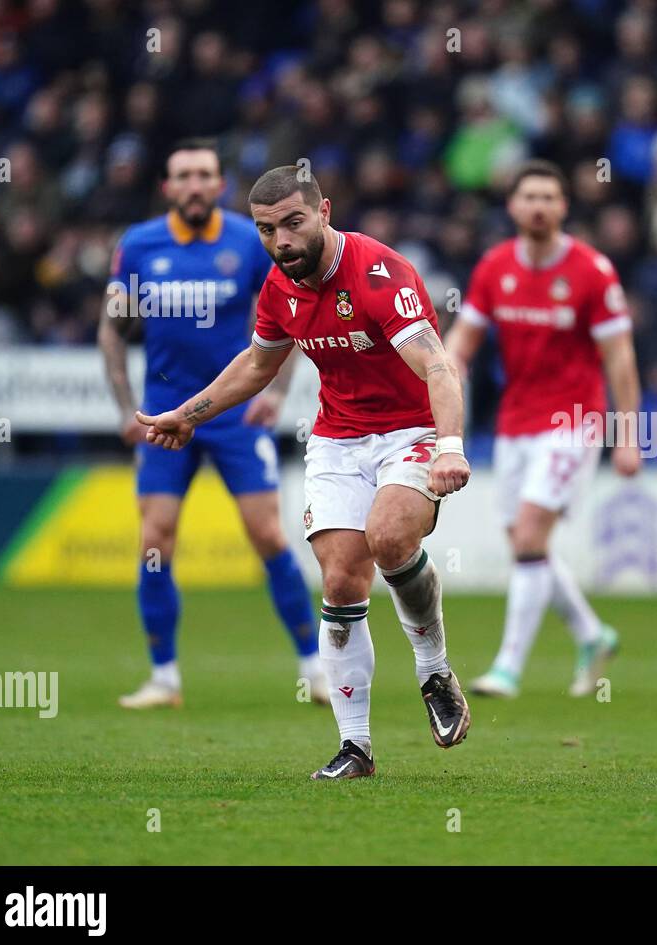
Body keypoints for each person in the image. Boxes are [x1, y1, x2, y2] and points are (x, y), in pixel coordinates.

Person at [135, 165, 472, 780]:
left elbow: (439, 368)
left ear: (324, 211)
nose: (281, 241)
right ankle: (356, 748)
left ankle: (433, 669)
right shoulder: (279, 285)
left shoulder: (380, 274)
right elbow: (258, 364)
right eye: (267, 230)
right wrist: (186, 415)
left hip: (413, 431)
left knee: (390, 537)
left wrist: (449, 445)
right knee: (342, 581)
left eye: (293, 223)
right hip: (339, 439)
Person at [100, 139, 321, 710]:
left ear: (219, 184)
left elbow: (295, 308)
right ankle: (164, 678)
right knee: (155, 542)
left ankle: (314, 667)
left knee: (269, 536)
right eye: (184, 176)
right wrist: (126, 407)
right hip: (162, 415)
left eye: (204, 175)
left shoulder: (250, 240)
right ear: (168, 187)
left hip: (234, 416)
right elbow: (112, 329)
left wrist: (275, 391)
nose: (195, 185)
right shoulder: (139, 245)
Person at [445, 160, 642, 699]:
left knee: (530, 536)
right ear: (512, 206)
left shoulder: (591, 271)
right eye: (528, 196)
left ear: (563, 207)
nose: (538, 206)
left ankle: (507, 669)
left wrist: (628, 435)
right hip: (515, 421)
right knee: (525, 543)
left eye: (548, 197)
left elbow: (620, 359)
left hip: (574, 419)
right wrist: (448, 370)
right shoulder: (494, 266)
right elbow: (462, 341)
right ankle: (592, 633)